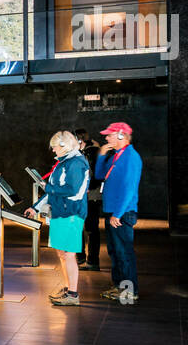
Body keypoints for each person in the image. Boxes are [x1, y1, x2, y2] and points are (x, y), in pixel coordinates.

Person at [24, 130, 90, 306]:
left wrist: (48, 188)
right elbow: (51, 189)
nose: (52, 150)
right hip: (61, 213)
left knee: (68, 254)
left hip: (71, 213)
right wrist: (35, 207)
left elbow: (72, 190)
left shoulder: (75, 163)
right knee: (62, 253)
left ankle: (73, 294)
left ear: (64, 145)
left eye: (54, 147)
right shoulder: (65, 162)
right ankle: (69, 289)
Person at [94, 121, 143, 303]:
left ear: (121, 135)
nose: (106, 138)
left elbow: (129, 189)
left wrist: (118, 213)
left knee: (124, 253)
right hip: (112, 211)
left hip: (121, 213)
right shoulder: (116, 156)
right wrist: (102, 155)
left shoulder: (130, 157)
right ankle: (120, 287)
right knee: (115, 252)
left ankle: (130, 292)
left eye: (109, 135)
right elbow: (99, 175)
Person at [75, 129, 103, 270]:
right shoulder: (83, 153)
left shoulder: (93, 153)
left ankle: (92, 261)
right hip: (82, 196)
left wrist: (88, 186)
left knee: (91, 229)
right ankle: (80, 258)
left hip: (91, 196)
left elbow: (97, 175)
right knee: (79, 227)